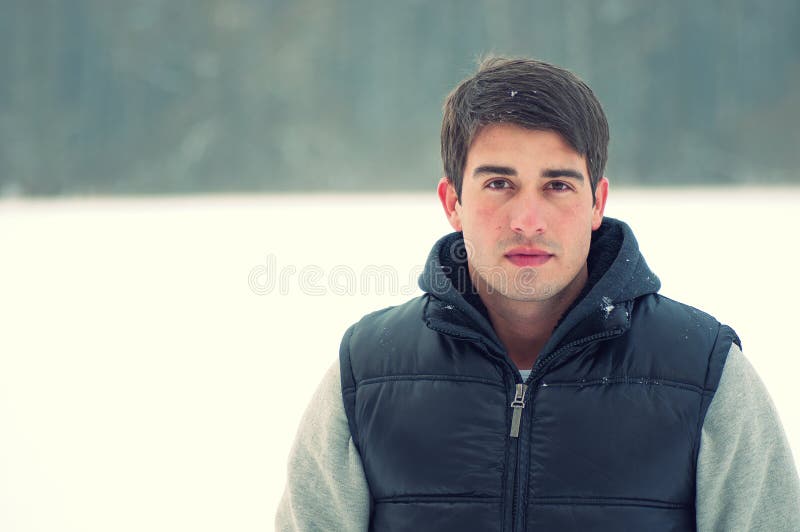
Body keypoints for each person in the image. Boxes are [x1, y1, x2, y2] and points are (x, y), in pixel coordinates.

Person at [276, 57, 800, 531]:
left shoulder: (705, 373)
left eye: (558, 186)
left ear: (597, 203)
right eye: (499, 184)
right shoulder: (366, 374)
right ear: (452, 201)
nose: (528, 221)